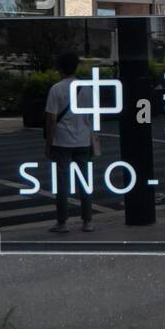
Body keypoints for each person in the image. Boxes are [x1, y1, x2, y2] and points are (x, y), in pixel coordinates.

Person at [44, 51, 96, 233]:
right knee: (84, 182)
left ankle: (62, 223)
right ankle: (88, 221)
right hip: (82, 140)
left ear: (59, 68)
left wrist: (48, 144)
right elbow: (90, 116)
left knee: (62, 184)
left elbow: (51, 120)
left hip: (62, 141)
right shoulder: (87, 88)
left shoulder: (56, 89)